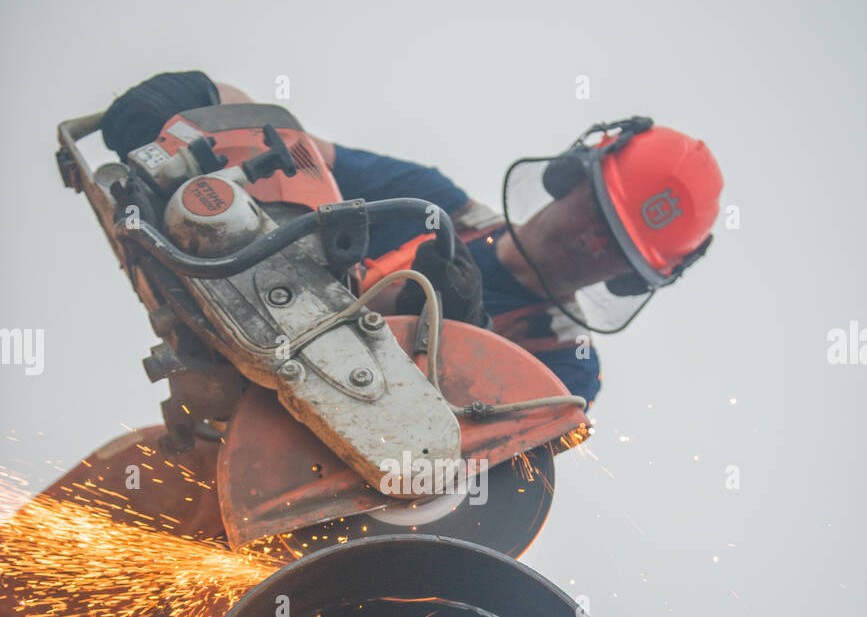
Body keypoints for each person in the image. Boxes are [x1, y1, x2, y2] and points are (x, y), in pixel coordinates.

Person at [100, 71, 725, 409]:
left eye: (617, 247)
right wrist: (207, 102)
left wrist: (451, 335)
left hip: (318, 498)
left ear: (629, 278)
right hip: (227, 388)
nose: (593, 242)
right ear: (570, 176)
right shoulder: (431, 204)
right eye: (600, 214)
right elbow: (289, 144)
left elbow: (476, 481)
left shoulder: (566, 369)